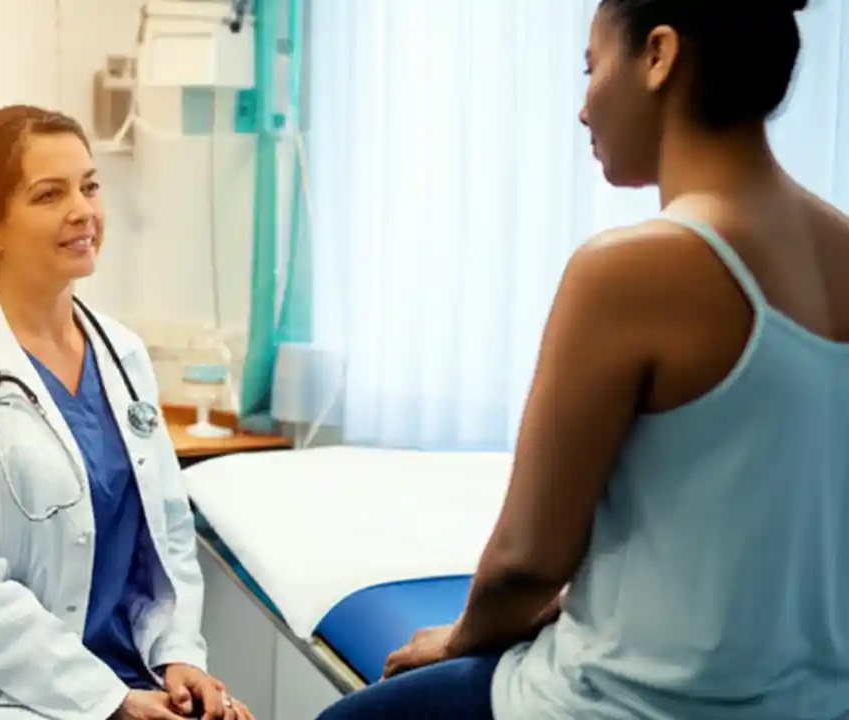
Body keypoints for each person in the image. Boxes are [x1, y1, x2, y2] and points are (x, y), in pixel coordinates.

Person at [318, 0, 849, 718]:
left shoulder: (632, 269)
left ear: (658, 56)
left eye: (591, 68)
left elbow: (527, 562)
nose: (582, 108)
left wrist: (458, 639)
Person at [0, 105, 254, 720]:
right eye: (49, 194)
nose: (83, 210)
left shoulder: (123, 354)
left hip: (125, 670)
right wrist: (109, 701)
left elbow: (165, 541)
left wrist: (179, 655)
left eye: (89, 186)